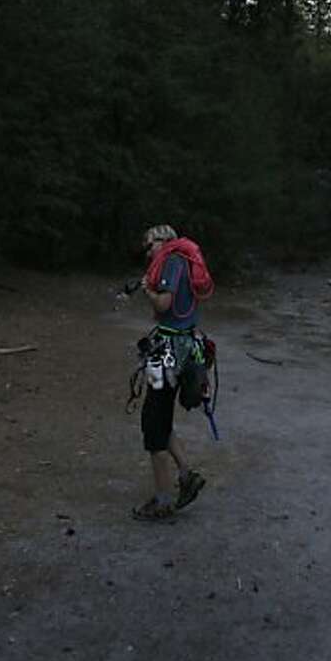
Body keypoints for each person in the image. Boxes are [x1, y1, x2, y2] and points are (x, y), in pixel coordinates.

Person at [132, 223, 210, 522]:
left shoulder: (171, 259)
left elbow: (163, 302)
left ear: (164, 241)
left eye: (150, 245)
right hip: (185, 346)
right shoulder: (185, 261)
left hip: (166, 351)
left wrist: (149, 290)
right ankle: (187, 475)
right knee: (161, 416)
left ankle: (163, 501)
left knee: (153, 421)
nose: (148, 251)